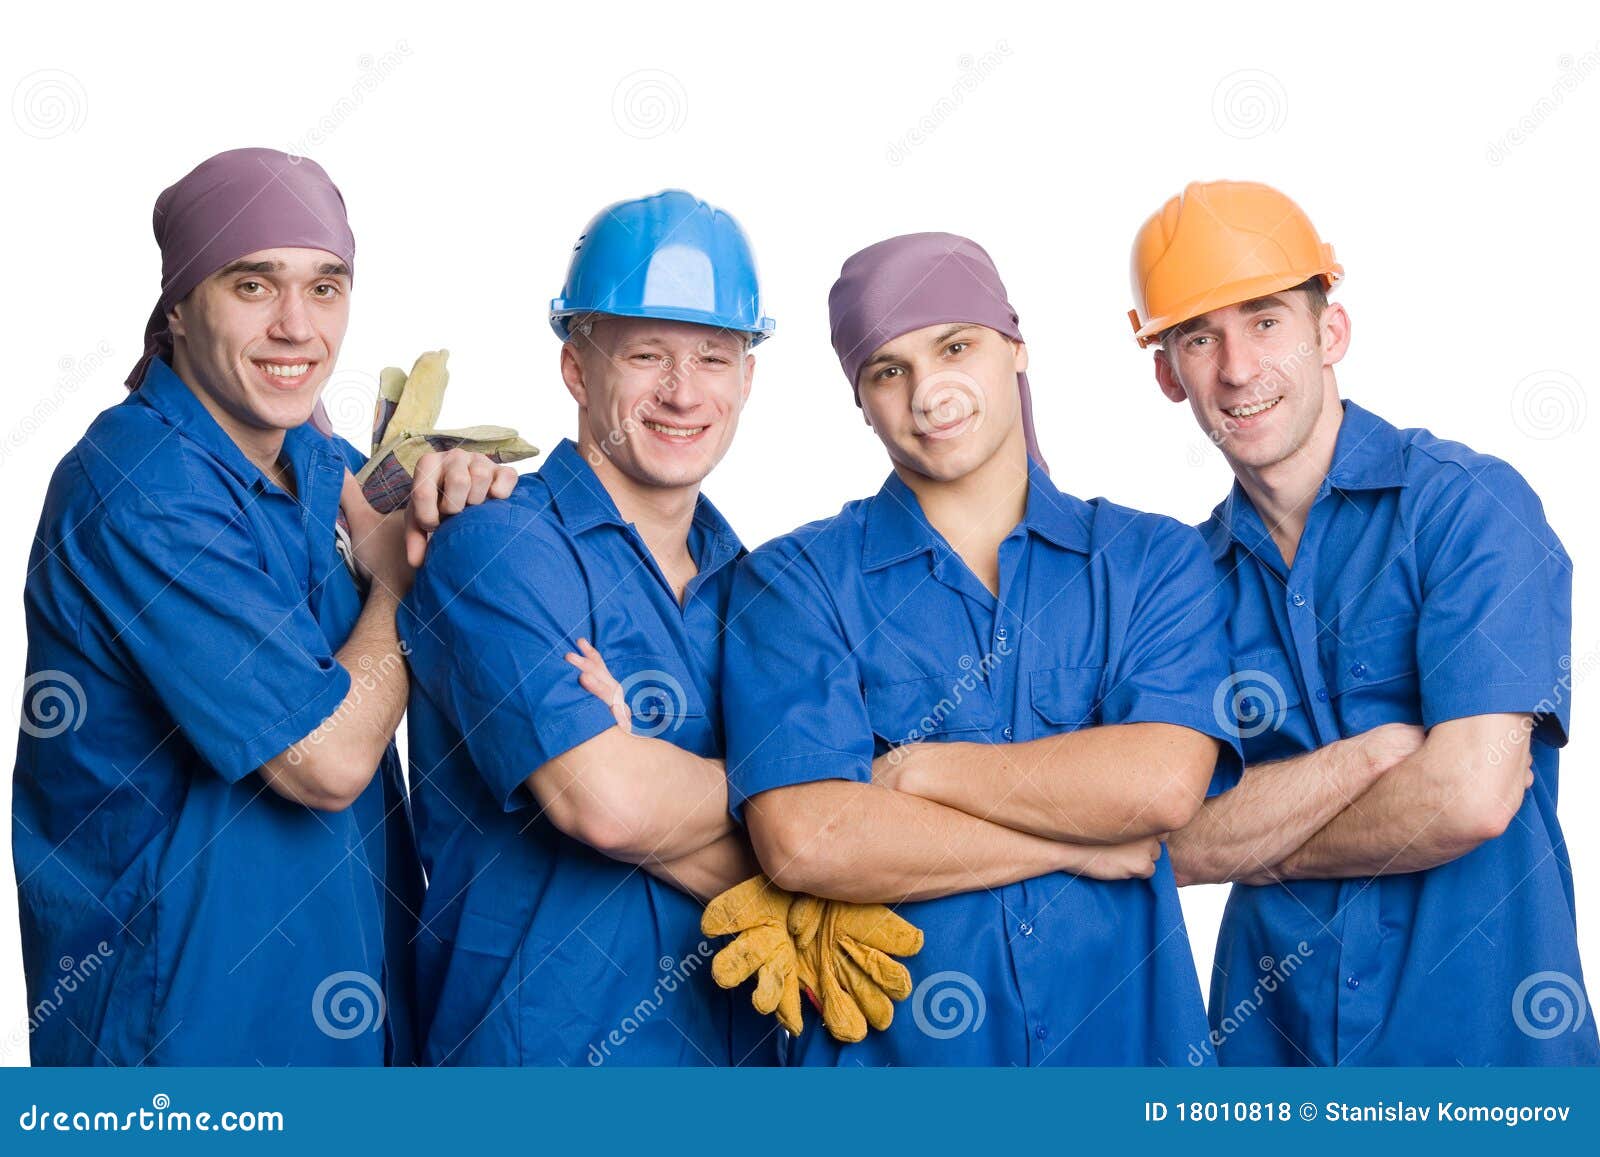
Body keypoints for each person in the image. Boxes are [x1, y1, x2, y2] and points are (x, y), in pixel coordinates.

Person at [13, 147, 516, 1066]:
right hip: (187, 1041)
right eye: (254, 284)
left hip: (340, 1003)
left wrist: (447, 497)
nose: (297, 326)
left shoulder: (308, 467)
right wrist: (404, 574)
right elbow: (324, 760)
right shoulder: (140, 485)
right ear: (177, 306)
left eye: (326, 288)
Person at [719, 232, 1240, 1065]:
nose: (930, 392)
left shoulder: (1149, 560)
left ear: (1016, 348)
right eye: (889, 370)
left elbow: (1160, 783)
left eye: (954, 346)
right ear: (860, 400)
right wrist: (1077, 841)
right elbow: (808, 839)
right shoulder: (795, 583)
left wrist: (917, 771)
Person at [1138, 178, 1598, 1065]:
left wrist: (1261, 837)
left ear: (1330, 332)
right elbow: (1171, 842)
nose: (1237, 368)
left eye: (1266, 320)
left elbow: (1469, 794)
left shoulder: (1467, 509)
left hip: (1489, 1061)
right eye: (1200, 338)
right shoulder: (1180, 585)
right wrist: (1367, 759)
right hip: (1270, 1064)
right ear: (1167, 372)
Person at [398, 190, 780, 1065]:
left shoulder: (764, 586)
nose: (683, 393)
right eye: (647, 354)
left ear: (748, 378)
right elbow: (607, 804)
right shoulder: (496, 543)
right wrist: (801, 801)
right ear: (577, 366)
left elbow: (845, 832)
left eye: (714, 357)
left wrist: (654, 770)